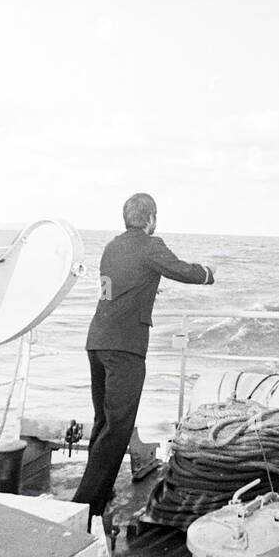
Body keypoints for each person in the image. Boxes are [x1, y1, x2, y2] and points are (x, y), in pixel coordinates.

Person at [73, 193, 215, 520]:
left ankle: (97, 492)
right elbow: (181, 270)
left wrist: (145, 288)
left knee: (105, 422)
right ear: (150, 219)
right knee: (118, 427)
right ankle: (86, 505)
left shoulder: (111, 247)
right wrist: (208, 272)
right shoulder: (150, 244)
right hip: (125, 347)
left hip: (98, 341)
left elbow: (109, 291)